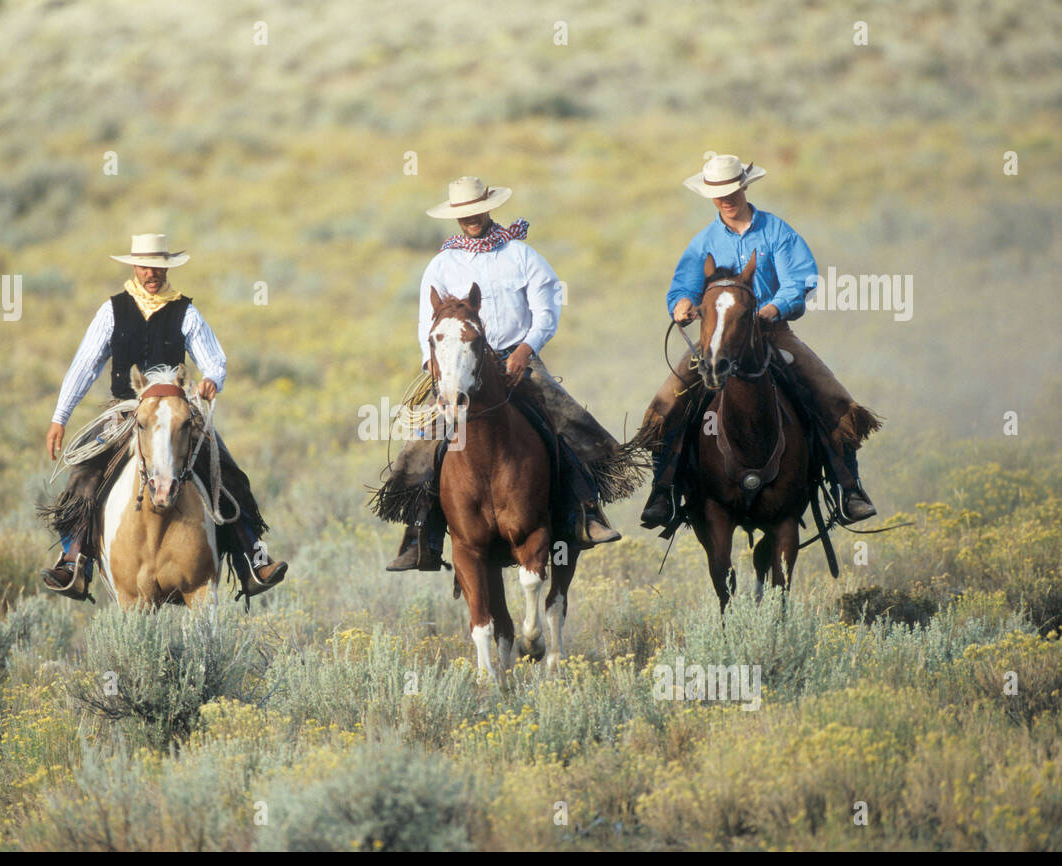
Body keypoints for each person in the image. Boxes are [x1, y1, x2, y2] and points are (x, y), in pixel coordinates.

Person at [375, 176, 644, 571]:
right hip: (459, 364)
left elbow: (547, 309)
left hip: (517, 357)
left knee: (563, 417)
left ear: (488, 208)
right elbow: (425, 324)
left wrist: (525, 348)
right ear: (455, 216)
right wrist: (432, 362)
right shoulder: (441, 264)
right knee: (425, 439)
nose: (470, 218)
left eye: (475, 210)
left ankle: (587, 512)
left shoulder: (521, 254)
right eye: (462, 213)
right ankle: (421, 535)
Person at [636, 153, 880, 530]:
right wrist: (682, 303)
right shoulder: (703, 242)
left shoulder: (776, 232)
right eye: (718, 194)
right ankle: (662, 491)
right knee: (665, 404)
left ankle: (849, 488)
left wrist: (774, 308)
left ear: (745, 187)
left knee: (832, 399)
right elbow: (683, 284)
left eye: (732, 190)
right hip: (717, 338)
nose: (726, 199)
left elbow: (800, 280)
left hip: (770, 331)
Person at [39, 233, 288, 601]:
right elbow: (85, 365)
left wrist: (210, 381)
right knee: (83, 479)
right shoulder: (112, 311)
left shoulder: (185, 310)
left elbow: (215, 359)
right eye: (144, 266)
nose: (150, 273)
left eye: (157, 267)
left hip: (176, 410)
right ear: (134, 267)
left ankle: (254, 556)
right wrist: (60, 416)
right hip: (126, 412)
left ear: (166, 268)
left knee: (230, 475)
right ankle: (74, 561)